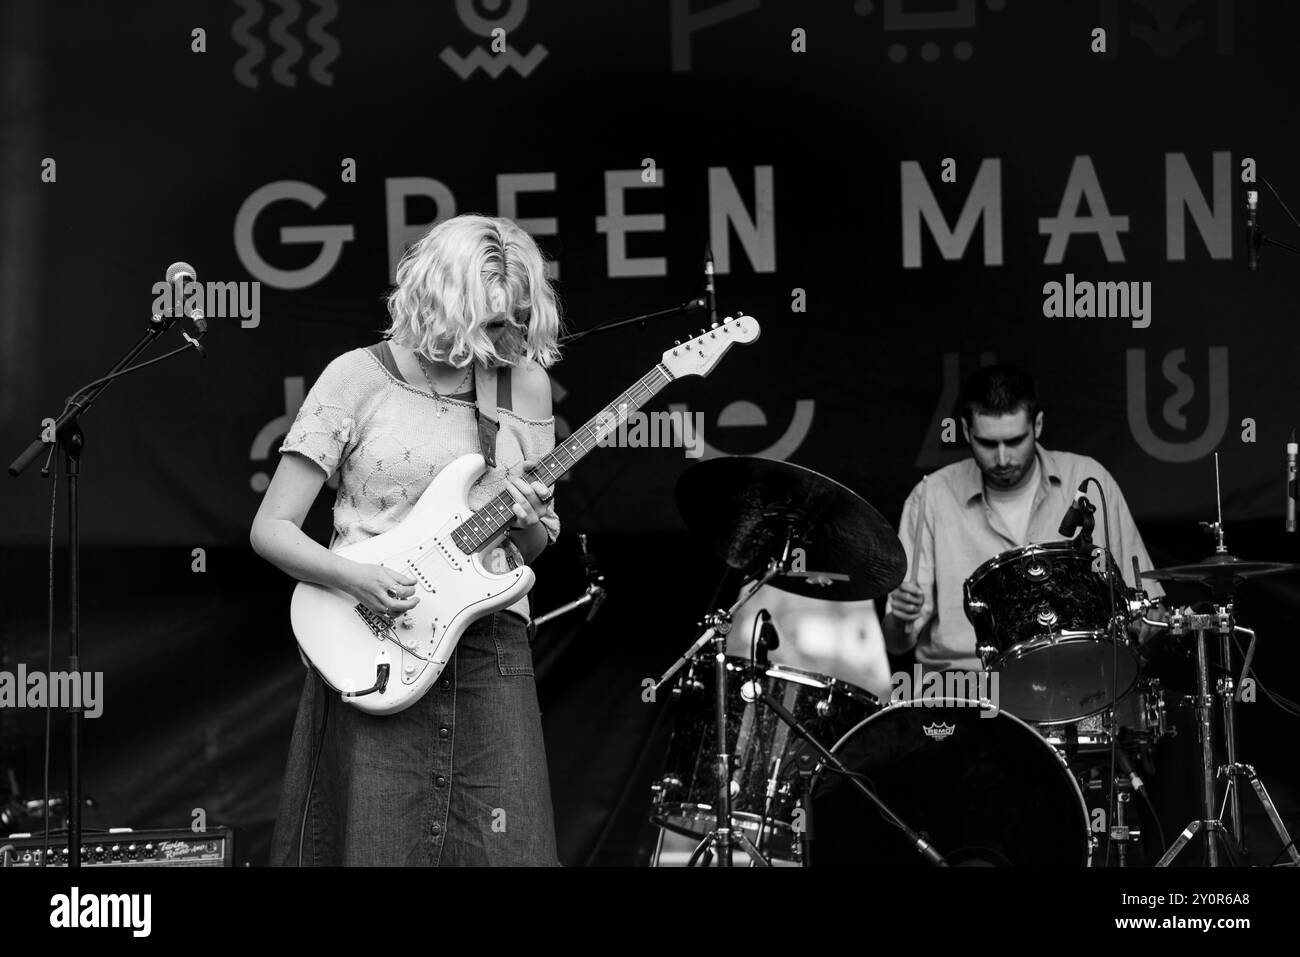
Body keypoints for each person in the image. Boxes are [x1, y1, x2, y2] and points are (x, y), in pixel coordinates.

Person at [250, 214, 564, 866]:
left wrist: (528, 515)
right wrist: (354, 577)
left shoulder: (521, 382)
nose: (505, 337)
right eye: (490, 320)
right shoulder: (355, 377)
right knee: (373, 848)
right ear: (440, 299)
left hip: (489, 649)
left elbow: (527, 553)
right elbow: (271, 528)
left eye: (516, 319)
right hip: (375, 645)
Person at [882, 364, 1165, 675]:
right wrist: (900, 618)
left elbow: (1151, 608)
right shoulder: (930, 496)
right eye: (988, 444)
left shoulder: (1088, 480)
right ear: (965, 432)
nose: (1002, 459)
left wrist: (1145, 621)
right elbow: (897, 644)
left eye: (1015, 441)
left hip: (1077, 684)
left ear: (1038, 425)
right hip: (966, 692)